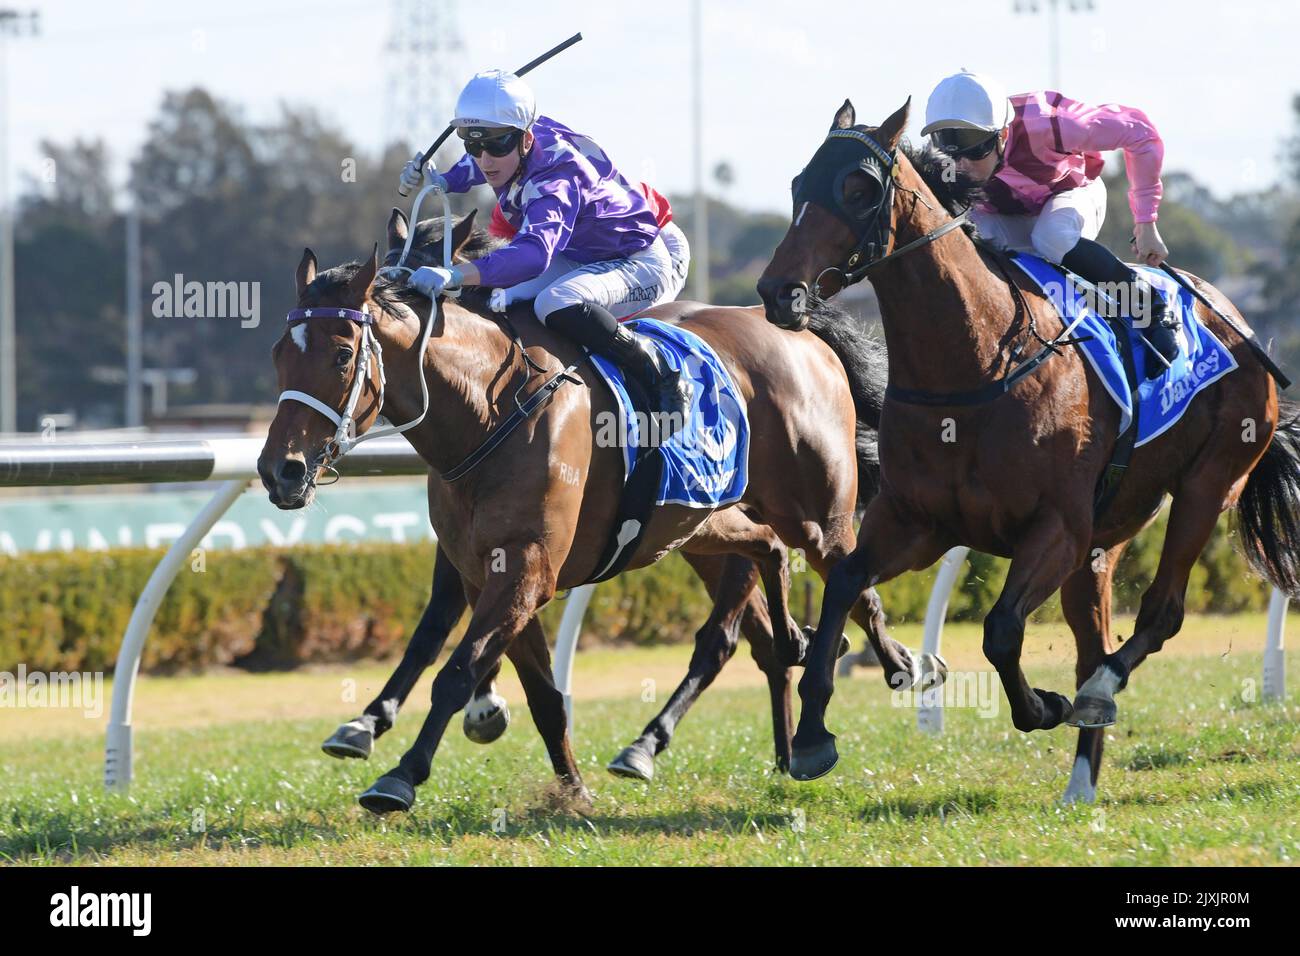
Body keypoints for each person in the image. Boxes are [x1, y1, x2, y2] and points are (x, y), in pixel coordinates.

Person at [399, 69, 692, 426]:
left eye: (496, 144)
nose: (485, 158)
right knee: (498, 297)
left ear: (525, 140)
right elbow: (479, 165)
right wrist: (441, 179)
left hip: (639, 260)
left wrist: (455, 274)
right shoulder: (513, 143)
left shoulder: (555, 180)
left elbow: (533, 256)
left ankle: (660, 373)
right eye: (473, 144)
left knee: (554, 302)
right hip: (583, 256)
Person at [921, 70, 1180, 378]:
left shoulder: (1051, 122)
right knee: (968, 240)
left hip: (1071, 194)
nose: (959, 163)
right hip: (1004, 216)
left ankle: (1151, 310)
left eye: (974, 146)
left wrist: (1146, 223)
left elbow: (1141, 133)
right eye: (946, 143)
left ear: (1002, 135)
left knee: (1051, 236)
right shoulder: (944, 163)